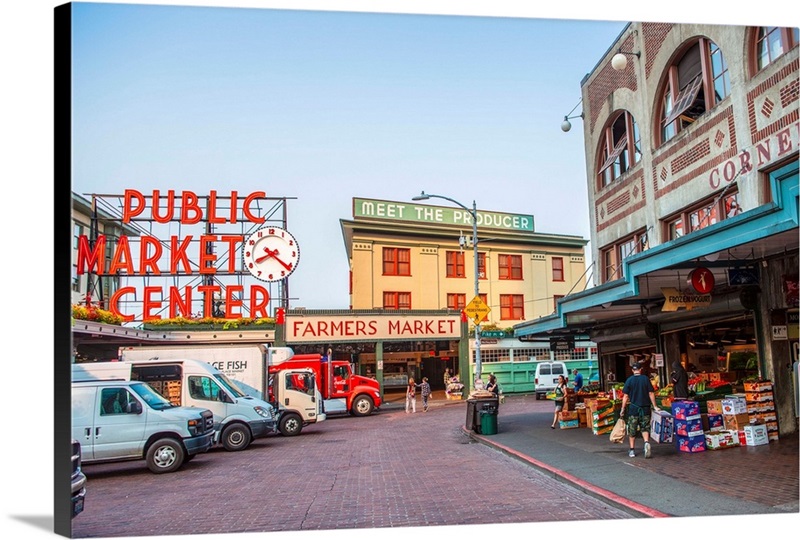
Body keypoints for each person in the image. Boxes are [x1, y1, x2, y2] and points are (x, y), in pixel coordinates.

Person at [620, 362, 660, 458]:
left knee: (632, 430)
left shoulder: (629, 380)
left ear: (632, 370)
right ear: (640, 369)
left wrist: (622, 409)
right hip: (645, 408)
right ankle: (646, 443)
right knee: (645, 427)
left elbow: (625, 396)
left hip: (633, 409)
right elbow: (651, 393)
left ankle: (632, 450)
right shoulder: (646, 379)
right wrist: (655, 406)